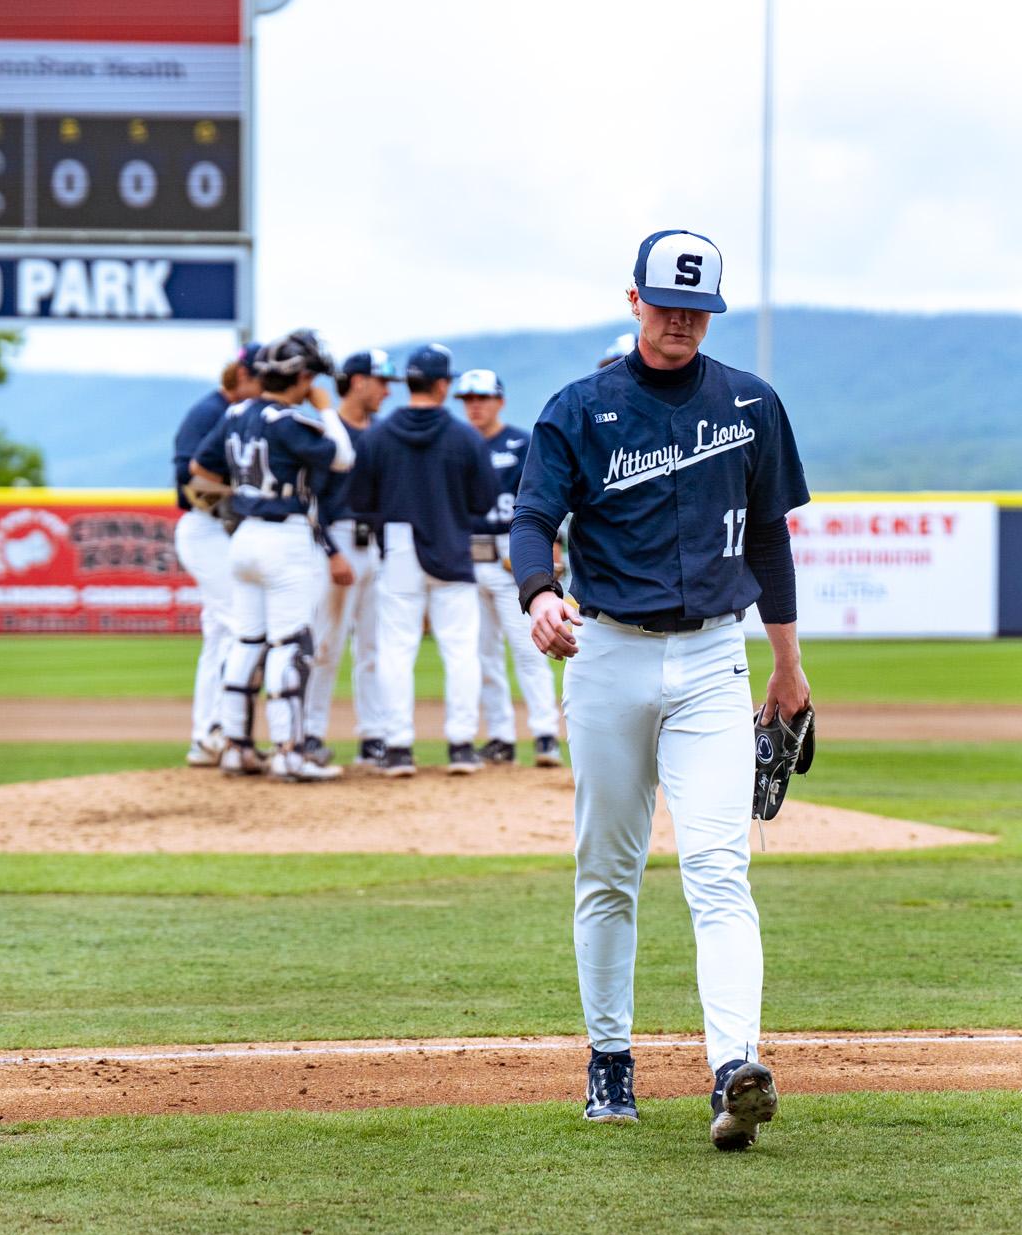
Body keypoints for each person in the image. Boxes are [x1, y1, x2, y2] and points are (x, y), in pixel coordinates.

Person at [510, 229, 811, 1151]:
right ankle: (610, 1057)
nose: (681, 319)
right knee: (608, 869)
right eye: (666, 302)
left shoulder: (752, 404)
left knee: (720, 868)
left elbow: (770, 543)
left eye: (698, 308)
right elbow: (531, 520)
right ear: (634, 297)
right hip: (606, 656)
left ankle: (735, 1068)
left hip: (716, 660)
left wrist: (788, 665)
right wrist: (540, 594)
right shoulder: (581, 407)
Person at [190, 330, 357, 782]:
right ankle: (289, 752)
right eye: (311, 378)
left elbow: (200, 467)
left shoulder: (237, 413)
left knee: (247, 641)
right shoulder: (290, 422)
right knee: (290, 645)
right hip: (284, 538)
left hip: (243, 535)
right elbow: (342, 457)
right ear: (301, 378)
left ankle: (236, 748)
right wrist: (325, 407)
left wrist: (245, 489)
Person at [344, 344, 499, 777]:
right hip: (452, 546)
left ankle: (397, 749)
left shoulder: (377, 435)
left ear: (408, 382)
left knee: (395, 651)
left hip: (397, 547)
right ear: (443, 385)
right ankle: (461, 745)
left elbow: (359, 499)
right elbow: (485, 499)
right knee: (460, 650)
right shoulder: (464, 436)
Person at [453, 367, 564, 767]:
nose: (475, 406)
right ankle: (500, 736)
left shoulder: (520, 443)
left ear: (499, 400)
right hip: (466, 556)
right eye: (467, 399)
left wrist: (552, 549)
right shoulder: (459, 443)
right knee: (483, 655)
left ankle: (545, 735)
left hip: (509, 553)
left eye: (482, 398)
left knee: (528, 648)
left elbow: (543, 503)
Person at [304, 348, 402, 769]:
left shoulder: (382, 433)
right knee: (325, 645)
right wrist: (329, 551)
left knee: (374, 648)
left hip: (377, 547)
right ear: (357, 381)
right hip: (336, 543)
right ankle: (308, 732)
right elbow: (309, 500)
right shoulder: (327, 430)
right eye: (381, 382)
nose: (386, 390)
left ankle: (374, 736)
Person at [172, 344, 262, 766]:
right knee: (237, 624)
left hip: (218, 531)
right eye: (261, 376)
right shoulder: (211, 412)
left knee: (219, 634)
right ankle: (219, 730)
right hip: (206, 529)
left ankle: (204, 735)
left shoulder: (240, 415)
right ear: (242, 376)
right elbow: (183, 479)